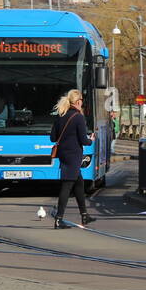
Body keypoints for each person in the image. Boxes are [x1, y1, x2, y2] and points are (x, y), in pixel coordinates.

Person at [50, 90, 95, 228]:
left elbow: (52, 138)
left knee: (79, 183)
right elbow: (83, 139)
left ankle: (85, 215)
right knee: (67, 185)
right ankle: (58, 219)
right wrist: (91, 140)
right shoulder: (78, 117)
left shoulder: (61, 115)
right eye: (81, 100)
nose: (82, 103)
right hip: (73, 155)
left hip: (63, 155)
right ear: (77, 101)